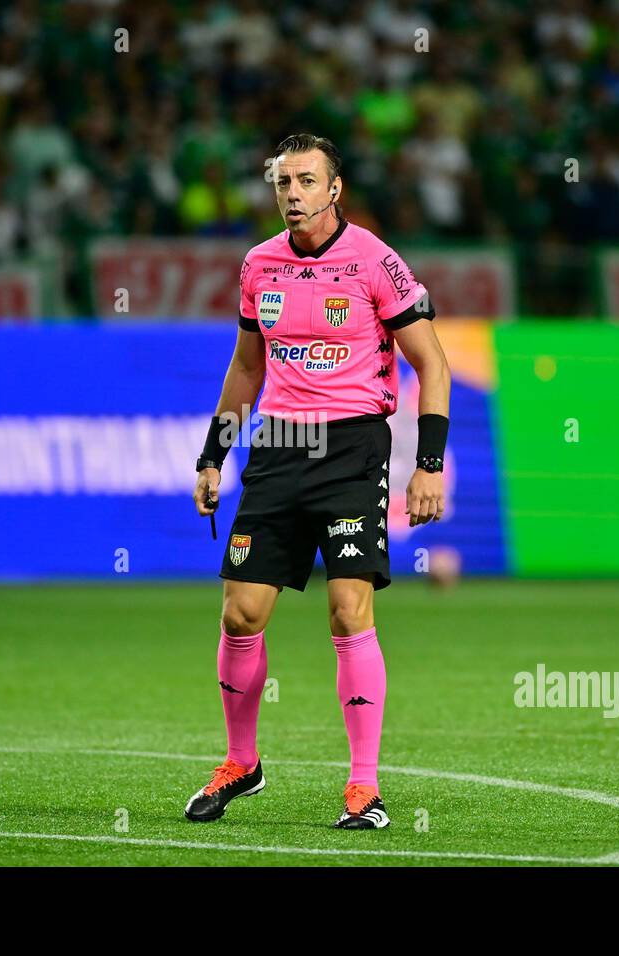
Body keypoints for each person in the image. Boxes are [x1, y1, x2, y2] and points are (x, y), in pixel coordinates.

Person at [186, 133, 451, 829]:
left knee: (348, 610)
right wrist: (213, 456)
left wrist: (427, 466)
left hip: (352, 448)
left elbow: (433, 363)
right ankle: (241, 762)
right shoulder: (259, 265)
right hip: (277, 446)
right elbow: (246, 370)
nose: (292, 194)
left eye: (306, 181)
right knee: (240, 612)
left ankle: (363, 787)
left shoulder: (375, 261)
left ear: (335, 190)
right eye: (283, 183)